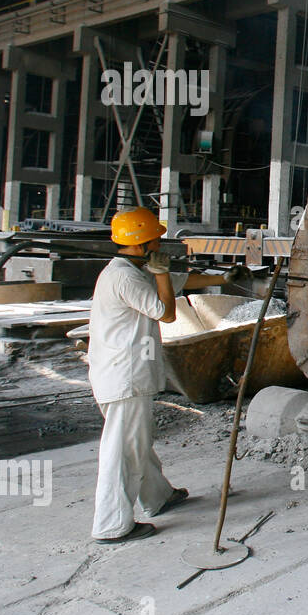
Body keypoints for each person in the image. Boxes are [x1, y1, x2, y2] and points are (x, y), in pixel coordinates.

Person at [88, 207, 189, 543]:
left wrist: (224, 277)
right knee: (124, 451)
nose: (160, 242)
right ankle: (112, 525)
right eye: (155, 238)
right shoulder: (125, 277)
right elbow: (166, 312)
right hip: (124, 378)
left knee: (137, 444)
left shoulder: (131, 270)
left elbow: (172, 285)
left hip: (121, 376)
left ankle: (158, 496)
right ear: (142, 242)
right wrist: (160, 273)